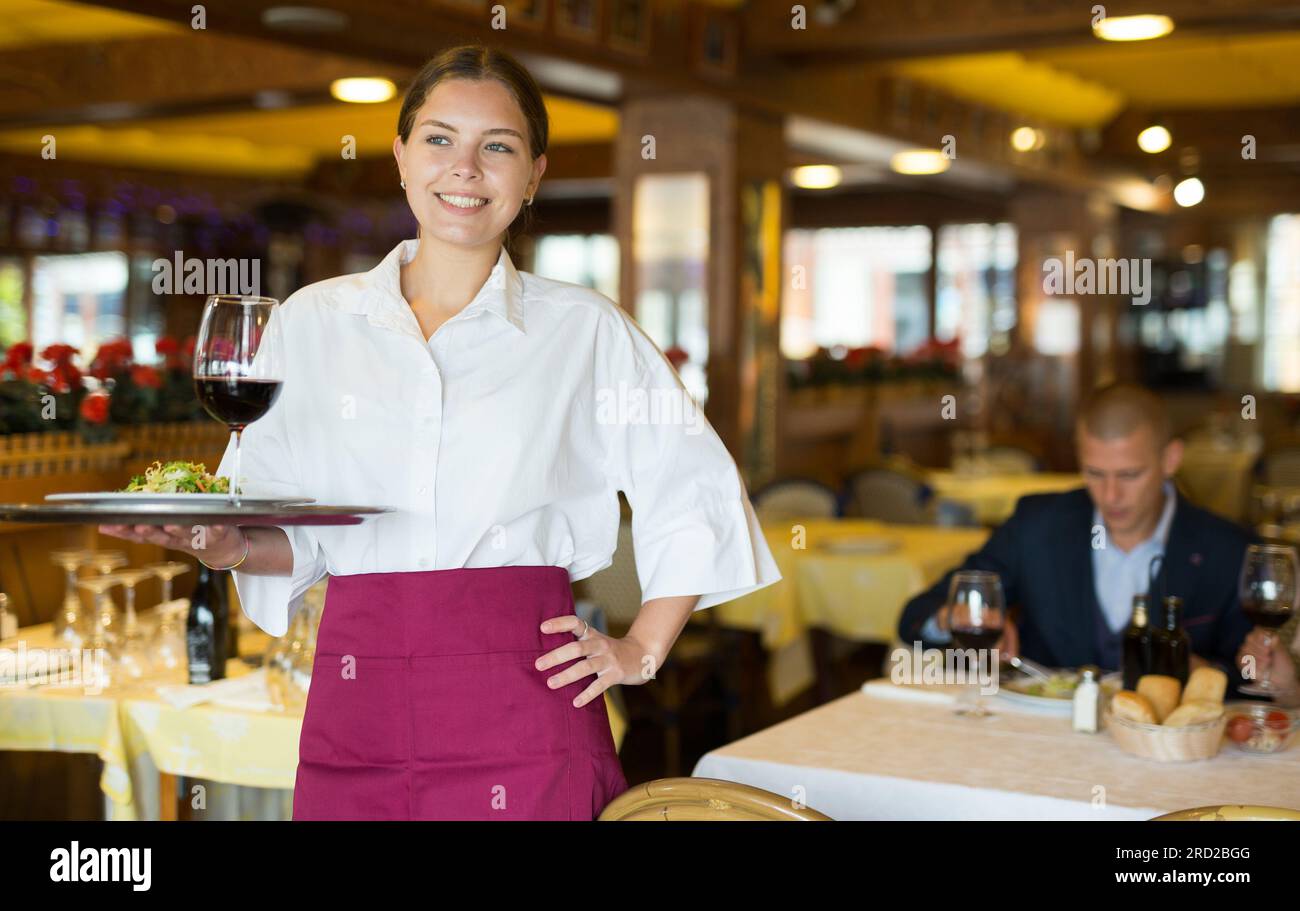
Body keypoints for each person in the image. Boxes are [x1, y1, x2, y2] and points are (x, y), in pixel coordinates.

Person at [99, 44, 780, 820]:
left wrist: (641, 648)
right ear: (399, 156)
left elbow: (694, 488)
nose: (465, 168)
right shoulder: (311, 323)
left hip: (530, 709)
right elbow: (294, 536)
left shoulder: (585, 331)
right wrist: (225, 546)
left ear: (533, 177)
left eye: (497, 147)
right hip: (357, 708)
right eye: (439, 139)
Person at [898, 382, 1253, 676]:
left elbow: (1256, 676)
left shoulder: (1228, 548)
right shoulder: (1037, 525)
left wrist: (1209, 673)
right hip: (1042, 742)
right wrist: (953, 618)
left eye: (1129, 474)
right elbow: (916, 617)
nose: (1111, 495)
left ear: (1170, 459)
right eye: (1095, 474)